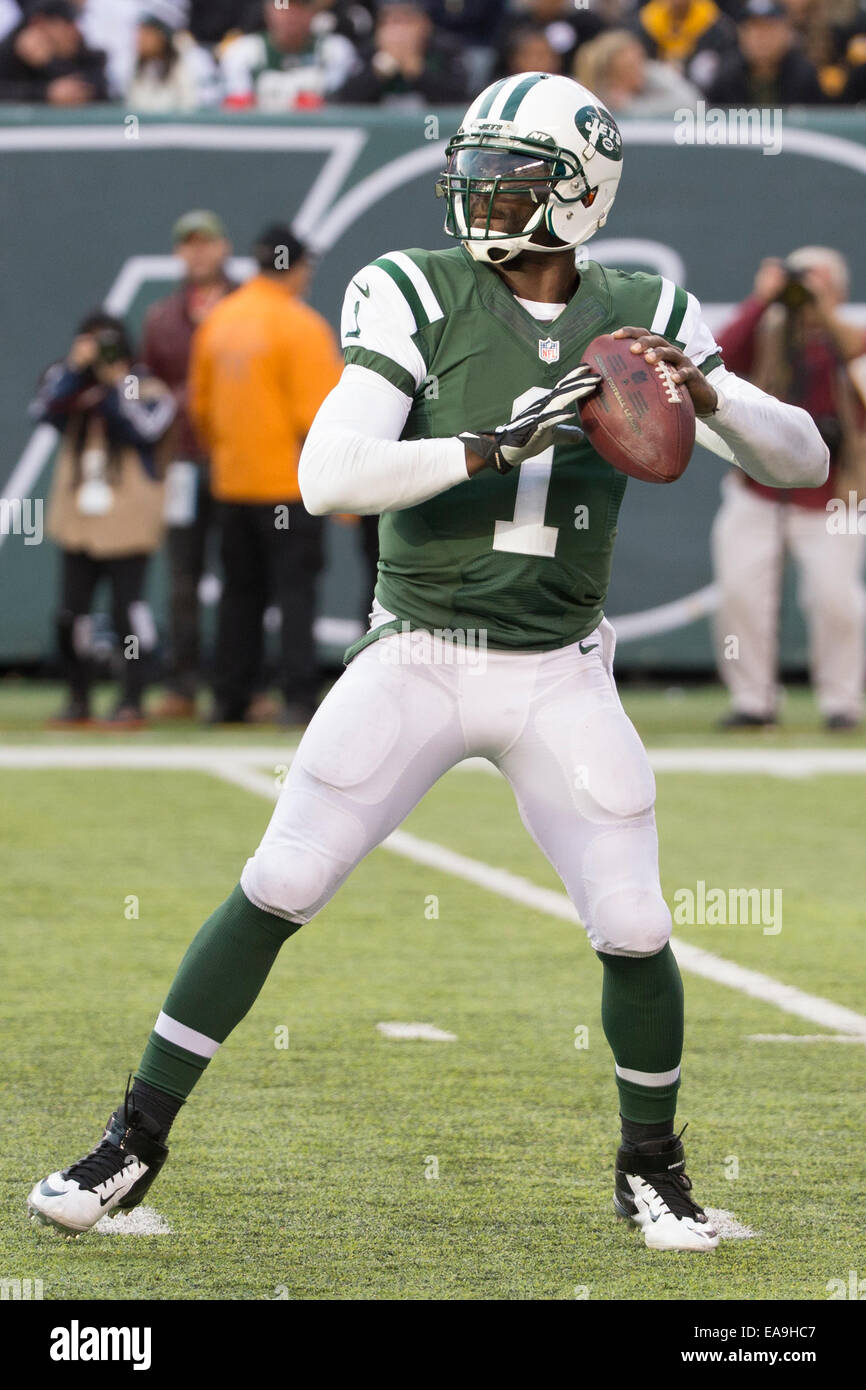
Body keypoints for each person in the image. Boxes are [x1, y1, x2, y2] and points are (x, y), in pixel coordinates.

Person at [28, 73, 827, 1252]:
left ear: (579, 192)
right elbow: (329, 477)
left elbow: (803, 458)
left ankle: (651, 1171)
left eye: (508, 176)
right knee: (280, 880)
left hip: (558, 664)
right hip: (421, 649)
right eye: (475, 167)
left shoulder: (643, 306)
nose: (477, 193)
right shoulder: (413, 287)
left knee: (635, 923)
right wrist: (487, 442)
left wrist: (705, 387)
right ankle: (130, 1144)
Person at [188, 224, 342, 725]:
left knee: (239, 595)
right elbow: (317, 418)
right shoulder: (301, 326)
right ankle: (297, 698)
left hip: (232, 485)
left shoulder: (219, 319)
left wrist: (229, 456)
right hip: (288, 489)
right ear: (296, 268)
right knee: (295, 596)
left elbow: (200, 409)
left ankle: (229, 698)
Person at [712, 248, 866, 729]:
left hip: (836, 498)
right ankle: (752, 701)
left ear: (839, 292)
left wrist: (825, 316)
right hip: (758, 489)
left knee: (835, 598)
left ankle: (841, 702)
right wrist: (763, 301)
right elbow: (716, 360)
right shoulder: (768, 334)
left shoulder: (852, 340)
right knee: (741, 593)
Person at [33, 313, 176, 727]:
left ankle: (131, 697)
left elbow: (143, 429)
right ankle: (78, 697)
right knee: (71, 614)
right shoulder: (72, 385)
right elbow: (44, 412)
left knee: (126, 613)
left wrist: (117, 382)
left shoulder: (145, 388)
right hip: (79, 519)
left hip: (127, 521)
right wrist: (76, 371)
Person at [141, 211, 235, 720]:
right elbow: (144, 385)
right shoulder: (163, 317)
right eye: (188, 245)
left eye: (206, 243)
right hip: (185, 462)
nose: (197, 253)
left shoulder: (249, 307)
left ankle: (239, 684)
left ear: (223, 248)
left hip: (239, 461)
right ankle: (181, 683)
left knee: (245, 576)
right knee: (183, 576)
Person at [220, 0, 357, 109]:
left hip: (316, 134)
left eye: (299, 6)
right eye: (282, 6)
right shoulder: (243, 51)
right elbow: (237, 106)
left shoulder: (335, 50)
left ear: (312, 12)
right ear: (268, 11)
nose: (290, 15)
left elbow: (341, 103)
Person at [329, 0, 469, 105]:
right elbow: (343, 101)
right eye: (388, 22)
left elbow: (461, 100)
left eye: (405, 21)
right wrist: (377, 73)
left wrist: (418, 72)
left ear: (425, 25)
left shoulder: (446, 51)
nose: (397, 31)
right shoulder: (367, 53)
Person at [705, 0, 826, 103]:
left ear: (787, 33)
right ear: (741, 34)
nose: (762, 38)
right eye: (754, 29)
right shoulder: (725, 77)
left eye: (769, 29)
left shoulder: (805, 76)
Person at [0, 0, 108, 103]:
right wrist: (44, 93)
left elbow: (99, 88)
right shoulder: (10, 52)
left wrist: (49, 63)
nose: (75, 32)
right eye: (67, 24)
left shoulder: (86, 53)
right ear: (39, 23)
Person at [575, 27, 701, 112]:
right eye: (630, 67)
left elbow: (691, 103)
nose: (642, 71)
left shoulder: (645, 93)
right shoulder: (595, 103)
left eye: (642, 62)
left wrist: (656, 71)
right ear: (611, 74)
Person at [632, 0, 738, 92]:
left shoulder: (713, 22)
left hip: (701, 96)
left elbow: (729, 64)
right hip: (656, 90)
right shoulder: (647, 20)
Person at [125, 9, 220, 111]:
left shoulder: (189, 62)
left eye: (147, 34)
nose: (140, 39)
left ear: (162, 37)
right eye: (140, 33)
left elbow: (192, 106)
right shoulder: (137, 67)